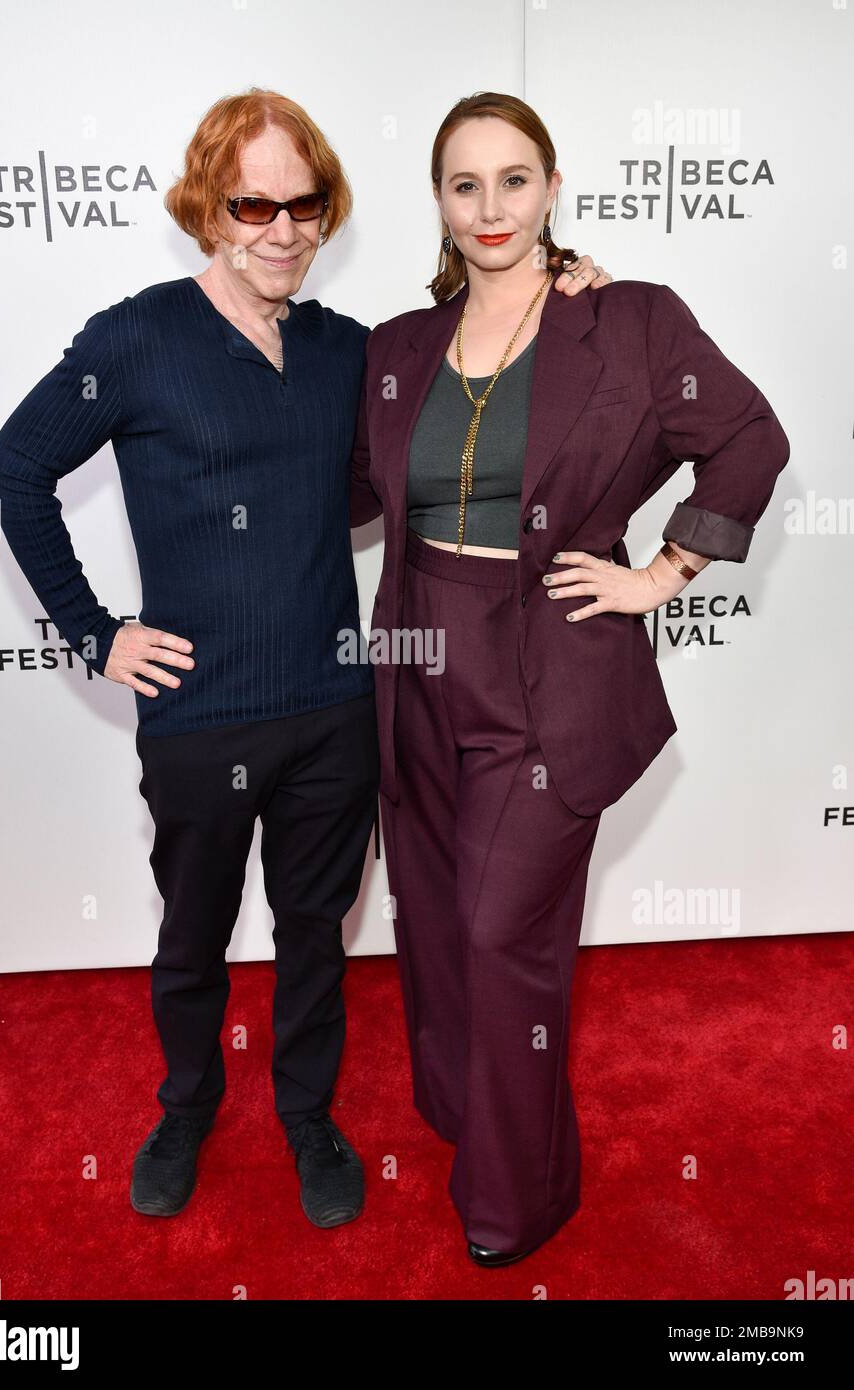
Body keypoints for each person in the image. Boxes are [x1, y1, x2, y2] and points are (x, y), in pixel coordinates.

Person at [0, 88, 610, 1228]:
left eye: (303, 202)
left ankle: (308, 1114)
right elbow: (14, 473)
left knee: (315, 933)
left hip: (332, 708)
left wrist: (571, 300)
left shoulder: (351, 353)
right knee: (191, 933)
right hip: (196, 715)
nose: (281, 228)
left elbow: (473, 383)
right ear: (203, 210)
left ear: (328, 210)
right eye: (251, 203)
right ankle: (185, 1108)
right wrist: (93, 631)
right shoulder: (136, 338)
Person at [349, 91, 791, 1266]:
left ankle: (518, 1194)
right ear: (437, 204)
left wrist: (666, 568)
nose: (489, 207)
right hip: (414, 652)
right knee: (436, 919)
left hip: (546, 662)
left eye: (511, 180)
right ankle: (462, 1111)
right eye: (462, 184)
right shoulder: (397, 346)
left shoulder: (629, 320)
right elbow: (339, 486)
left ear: (550, 187)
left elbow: (748, 435)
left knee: (502, 932)